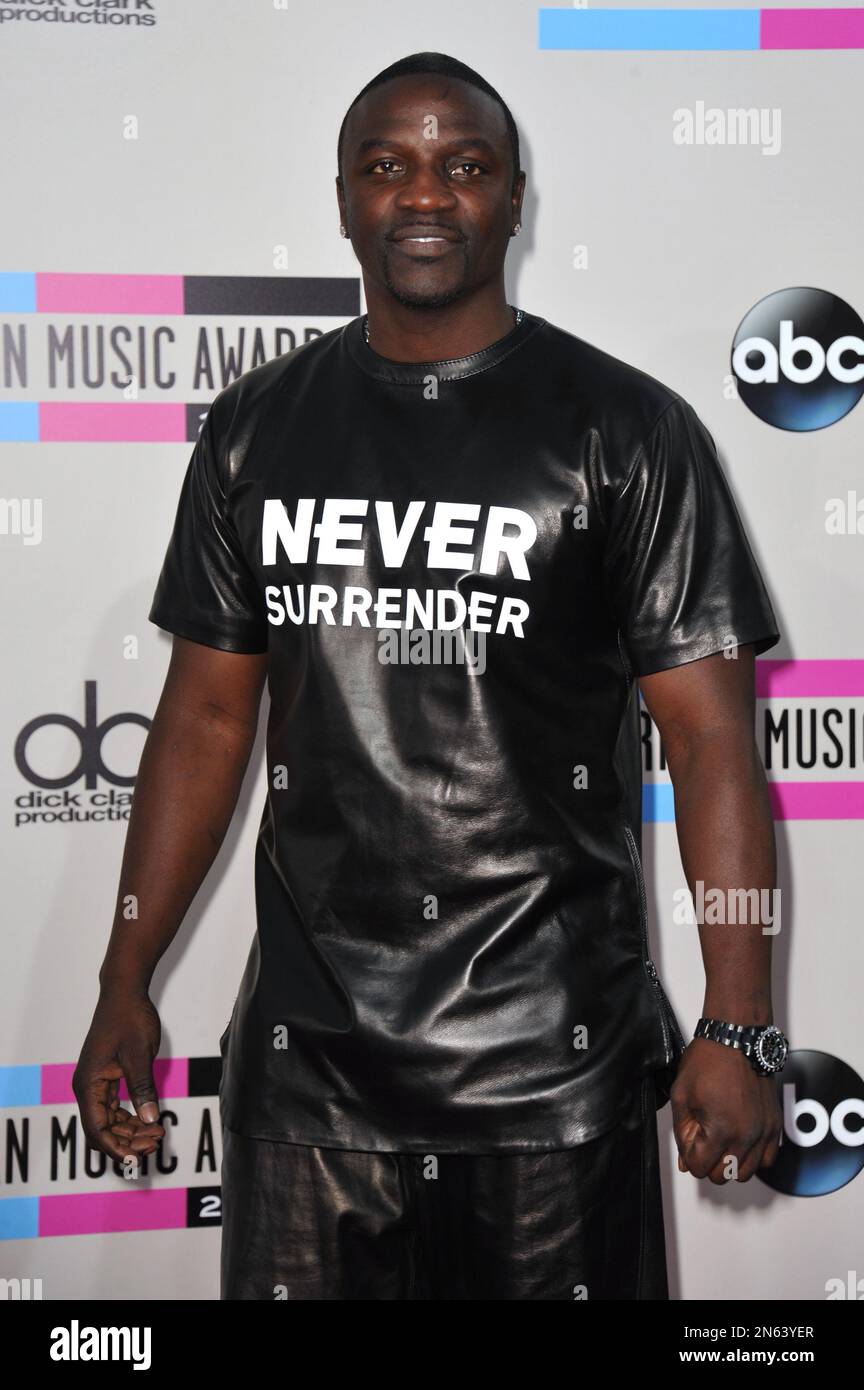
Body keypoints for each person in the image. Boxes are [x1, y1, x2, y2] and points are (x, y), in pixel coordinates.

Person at [74, 51, 787, 1301]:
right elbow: (200, 724)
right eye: (387, 166)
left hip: (555, 1083)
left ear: (516, 200)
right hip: (311, 1082)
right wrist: (125, 975)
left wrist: (734, 1022)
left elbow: (716, 741)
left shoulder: (627, 430)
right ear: (342, 198)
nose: (424, 196)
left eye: (464, 166)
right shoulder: (254, 429)